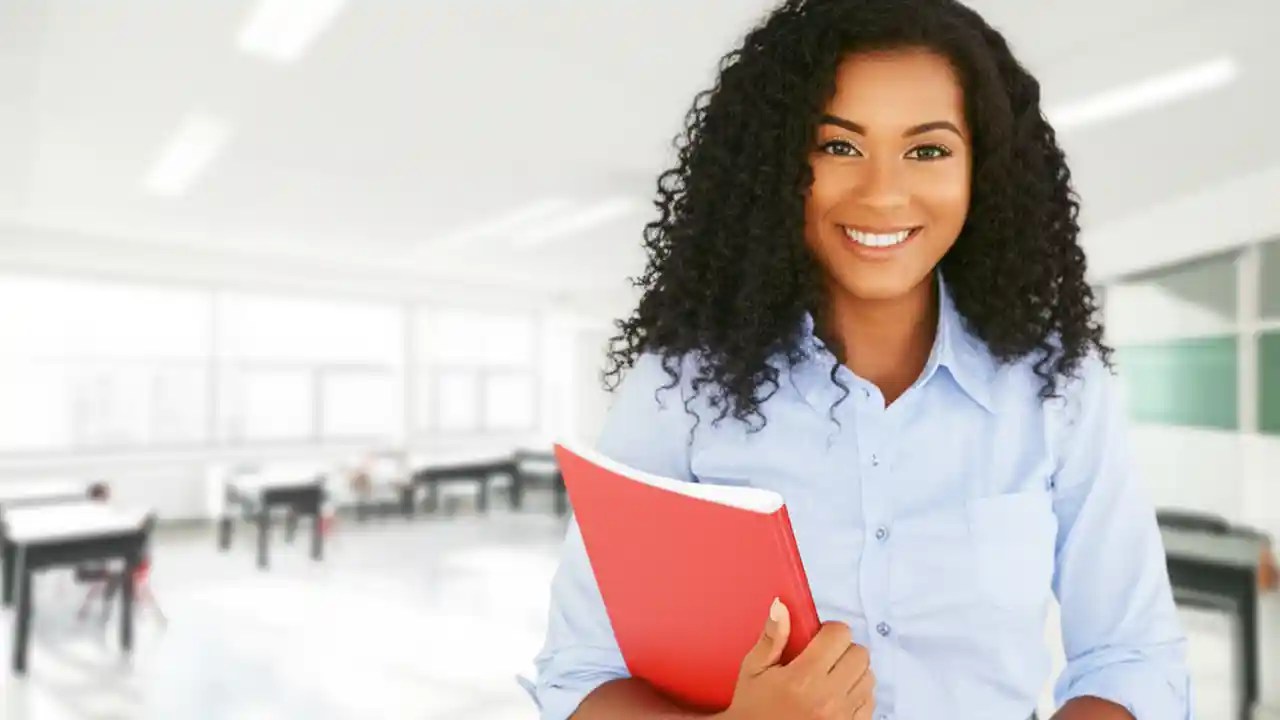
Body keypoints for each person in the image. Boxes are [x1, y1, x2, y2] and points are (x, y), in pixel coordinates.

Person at [531, 0, 1191, 718]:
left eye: (928, 150)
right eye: (838, 147)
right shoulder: (678, 387)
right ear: (777, 164)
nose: (882, 193)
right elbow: (581, 674)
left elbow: (1132, 658)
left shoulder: (1057, 386)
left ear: (984, 172)